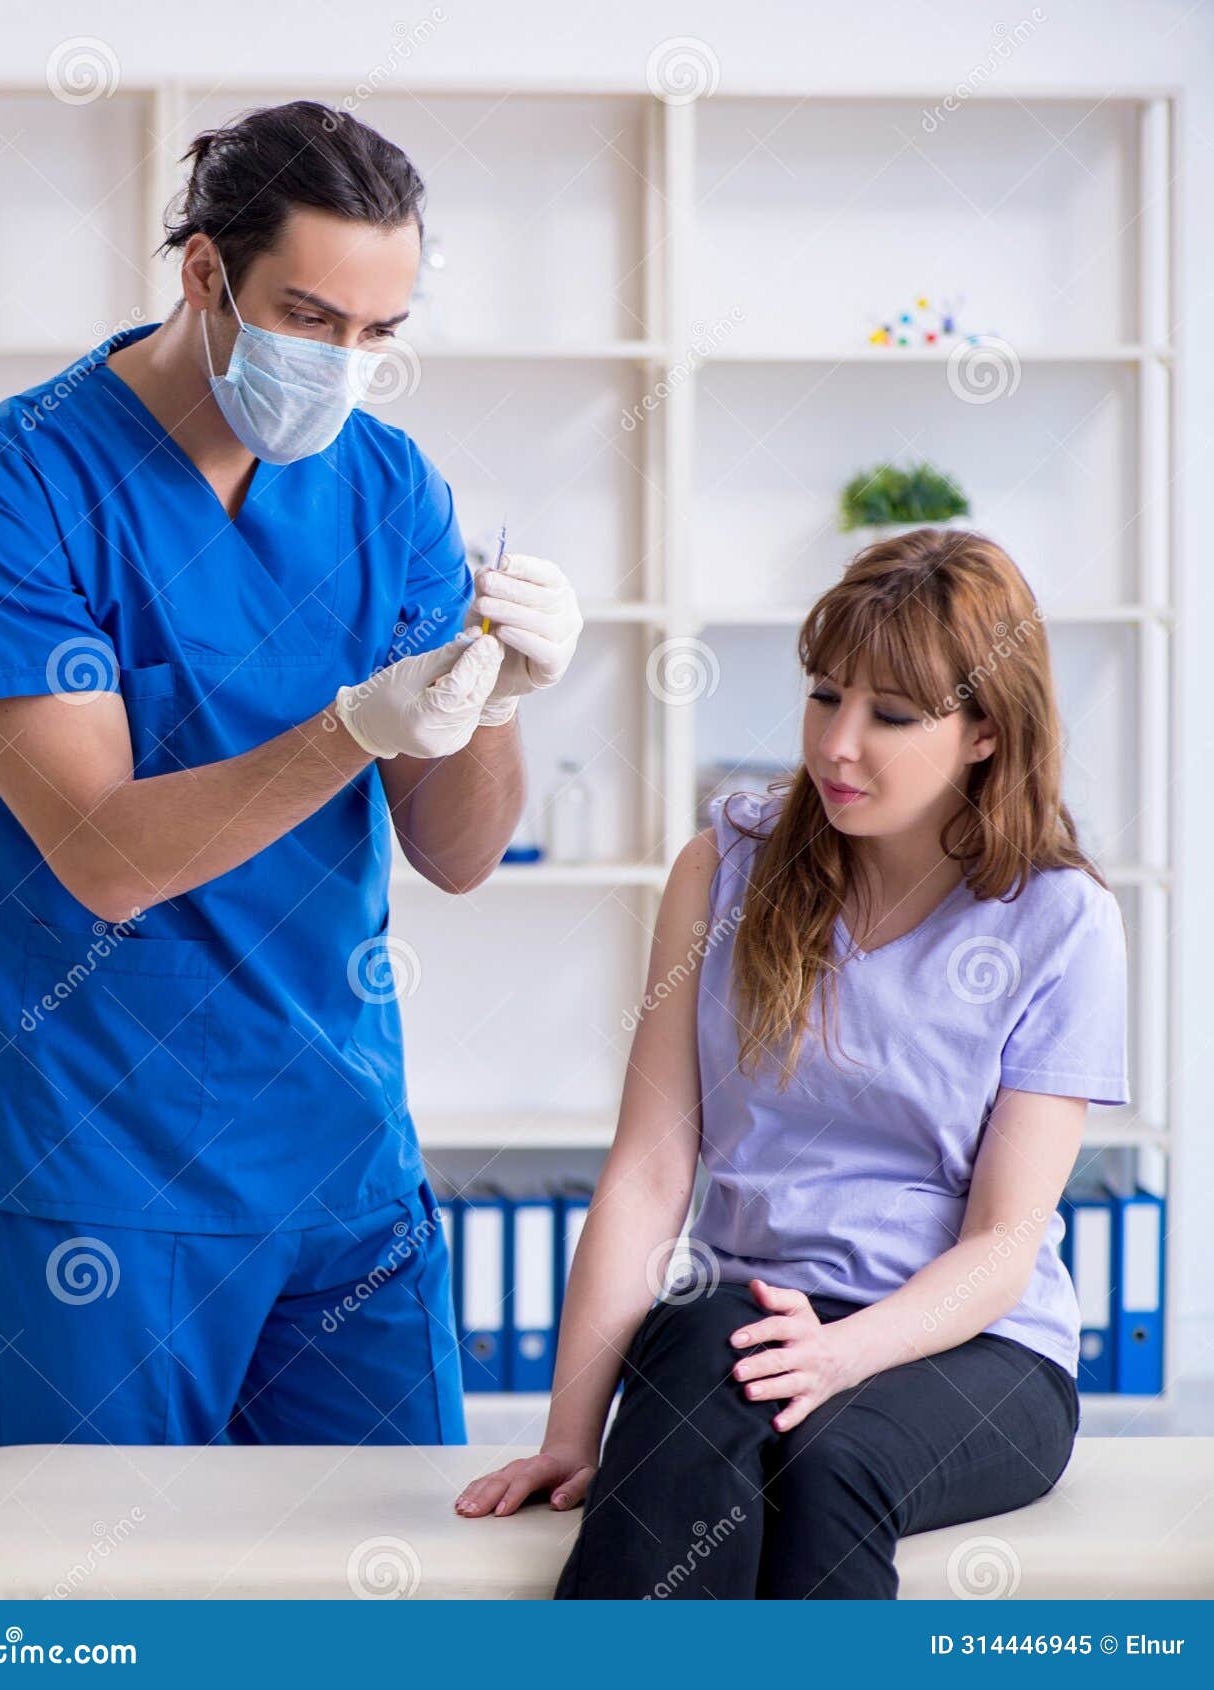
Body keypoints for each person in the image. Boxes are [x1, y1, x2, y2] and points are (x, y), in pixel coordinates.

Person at [0, 98, 582, 1452]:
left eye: (379, 335)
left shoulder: (387, 487)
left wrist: (492, 697)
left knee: (384, 1613)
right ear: (205, 272)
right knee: (108, 1628)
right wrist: (352, 727)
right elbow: (104, 853)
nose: (343, 365)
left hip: (340, 1161)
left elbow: (455, 851)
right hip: (99, 1166)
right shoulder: (10, 486)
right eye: (311, 319)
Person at [454, 528, 1128, 1600]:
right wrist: (570, 1436)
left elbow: (1003, 1242)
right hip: (753, 1315)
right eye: (824, 696)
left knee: (824, 1459)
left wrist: (844, 1353)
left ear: (985, 733)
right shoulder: (722, 864)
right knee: (697, 1345)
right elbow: (646, 1174)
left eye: (891, 716)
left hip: (976, 1349)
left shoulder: (1059, 920)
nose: (836, 744)